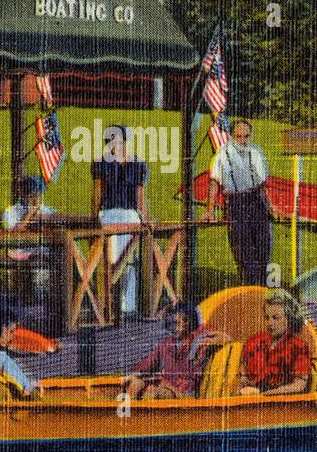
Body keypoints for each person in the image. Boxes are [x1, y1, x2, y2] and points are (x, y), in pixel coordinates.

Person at [202, 119, 274, 287]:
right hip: (236, 204)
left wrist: (270, 206)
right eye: (239, 136)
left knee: (263, 252)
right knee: (244, 254)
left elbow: (262, 185)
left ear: (251, 135)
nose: (243, 140)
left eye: (246, 136)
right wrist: (210, 210)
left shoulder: (256, 152)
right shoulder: (223, 155)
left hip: (257, 202)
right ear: (232, 136)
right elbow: (214, 183)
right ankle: (248, 292)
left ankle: (262, 293)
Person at [91, 125, 152, 316]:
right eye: (112, 140)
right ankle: (108, 305)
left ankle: (127, 305)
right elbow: (98, 193)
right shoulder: (102, 162)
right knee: (111, 259)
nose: (116, 144)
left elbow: (140, 196)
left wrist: (146, 218)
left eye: (119, 140)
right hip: (109, 213)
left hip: (129, 215)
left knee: (129, 260)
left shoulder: (138, 164)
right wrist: (94, 217)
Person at [123, 301, 227, 400]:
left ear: (188, 322)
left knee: (154, 394)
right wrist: (134, 375)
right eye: (171, 323)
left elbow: (226, 339)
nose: (173, 327)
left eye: (177, 323)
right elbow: (147, 364)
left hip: (184, 395)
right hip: (166, 386)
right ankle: (124, 413)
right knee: (136, 384)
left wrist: (210, 339)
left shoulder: (199, 340)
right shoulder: (166, 344)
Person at [238, 289, 314, 396]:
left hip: (280, 404)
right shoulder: (253, 342)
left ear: (290, 317)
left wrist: (263, 394)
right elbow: (243, 375)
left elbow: (299, 385)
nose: (270, 323)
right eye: (267, 317)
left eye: (276, 318)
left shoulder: (299, 347)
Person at [0, 303, 41, 397]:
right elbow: (28, 389)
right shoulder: (2, 358)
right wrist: (34, 387)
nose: (13, 335)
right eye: (11, 331)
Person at [3, 175, 56, 263]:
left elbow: (57, 225)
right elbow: (13, 233)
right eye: (31, 195)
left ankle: (83, 272)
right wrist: (29, 213)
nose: (36, 199)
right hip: (21, 252)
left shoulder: (47, 210)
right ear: (23, 195)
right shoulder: (11, 211)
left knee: (67, 247)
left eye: (38, 195)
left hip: (43, 251)